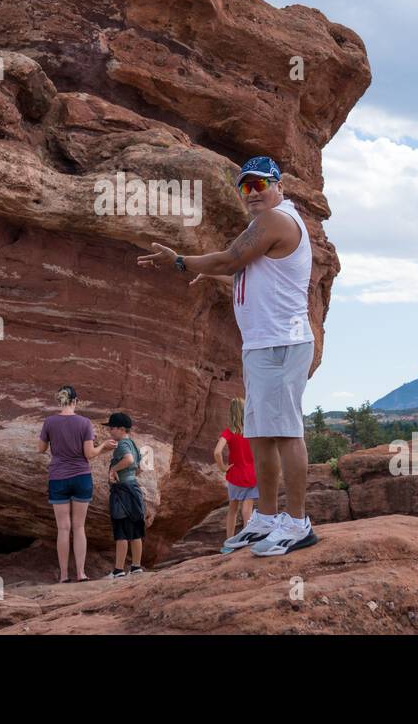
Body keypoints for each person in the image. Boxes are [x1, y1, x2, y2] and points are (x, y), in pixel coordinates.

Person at [137, 155, 318, 556]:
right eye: (245, 187)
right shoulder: (267, 225)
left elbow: (230, 258)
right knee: (260, 434)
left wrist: (181, 262)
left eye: (260, 185)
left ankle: (298, 523)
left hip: (281, 344)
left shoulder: (276, 220)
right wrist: (216, 272)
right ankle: (267, 518)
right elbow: (246, 271)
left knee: (286, 431)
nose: (252, 193)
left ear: (279, 187)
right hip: (261, 344)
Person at [38, 385, 114, 582]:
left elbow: (41, 448)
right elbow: (89, 454)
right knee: (79, 527)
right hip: (81, 476)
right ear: (75, 401)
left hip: (58, 478)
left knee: (63, 528)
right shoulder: (84, 423)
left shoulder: (49, 422)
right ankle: (81, 573)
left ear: (59, 401)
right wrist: (103, 447)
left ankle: (64, 576)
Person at [103, 412, 147, 578]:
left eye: (112, 428)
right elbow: (140, 466)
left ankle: (118, 570)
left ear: (121, 429)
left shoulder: (122, 444)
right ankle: (136, 566)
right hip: (133, 488)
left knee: (121, 530)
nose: (110, 431)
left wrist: (114, 470)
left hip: (122, 491)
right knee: (136, 530)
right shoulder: (133, 444)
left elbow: (128, 460)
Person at [214, 396, 258, 549]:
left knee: (233, 510)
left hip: (236, 475)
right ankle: (247, 541)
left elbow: (217, 452)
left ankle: (229, 543)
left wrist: (223, 467)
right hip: (253, 474)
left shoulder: (228, 433)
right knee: (248, 509)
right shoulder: (252, 431)